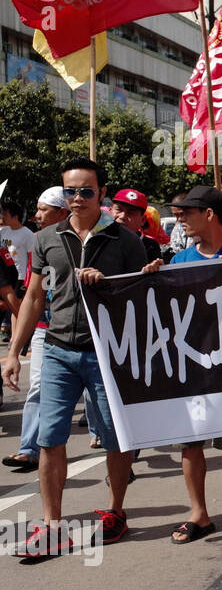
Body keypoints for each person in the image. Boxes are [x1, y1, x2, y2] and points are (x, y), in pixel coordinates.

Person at [1, 158, 147, 558]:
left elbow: (142, 298)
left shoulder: (125, 241)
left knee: (116, 440)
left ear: (102, 193)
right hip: (58, 350)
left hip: (106, 354)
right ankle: (52, 524)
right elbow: (33, 297)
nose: (78, 198)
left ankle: (116, 511)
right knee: (50, 439)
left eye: (86, 191)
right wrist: (14, 352)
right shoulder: (47, 237)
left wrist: (109, 286)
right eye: (71, 191)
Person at [159, 186, 222, 543]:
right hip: (191, 363)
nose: (181, 218)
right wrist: (150, 279)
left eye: (188, 212)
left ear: (210, 215)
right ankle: (199, 513)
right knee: (191, 440)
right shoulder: (179, 260)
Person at [4, 188, 67, 473]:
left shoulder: (89, 244)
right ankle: (28, 449)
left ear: (62, 212)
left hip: (85, 335)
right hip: (45, 329)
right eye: (37, 209)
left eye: (44, 210)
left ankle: (109, 443)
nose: (37, 216)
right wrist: (15, 351)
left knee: (96, 395)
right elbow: (32, 297)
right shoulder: (40, 243)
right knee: (38, 388)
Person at [109, 188, 162, 263]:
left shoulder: (150, 247)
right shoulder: (97, 240)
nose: (123, 216)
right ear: (110, 212)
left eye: (131, 213)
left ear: (142, 220)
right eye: (119, 210)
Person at [1, 197, 36, 288]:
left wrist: (30, 280)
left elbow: (32, 258)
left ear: (15, 217)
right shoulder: (3, 231)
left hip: (20, 278)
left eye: (5, 215)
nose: (2, 217)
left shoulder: (28, 234)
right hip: (5, 276)